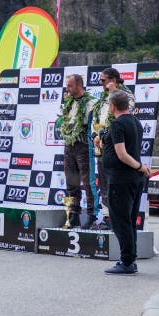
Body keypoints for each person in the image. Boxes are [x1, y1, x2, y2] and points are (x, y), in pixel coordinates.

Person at [97, 89, 150, 274]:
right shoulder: (136, 122)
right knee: (129, 221)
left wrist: (139, 166)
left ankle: (126, 262)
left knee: (121, 222)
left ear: (112, 106)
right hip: (133, 180)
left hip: (121, 180)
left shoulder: (118, 124)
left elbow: (122, 154)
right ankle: (130, 260)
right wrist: (103, 141)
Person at [91, 67, 135, 228]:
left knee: (115, 185)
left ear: (113, 80)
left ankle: (118, 219)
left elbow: (123, 117)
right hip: (101, 148)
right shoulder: (102, 98)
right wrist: (95, 136)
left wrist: (113, 92)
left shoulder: (126, 95)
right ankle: (107, 218)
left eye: (103, 80)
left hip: (116, 146)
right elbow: (95, 119)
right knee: (104, 185)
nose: (101, 83)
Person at [59, 74, 96, 229]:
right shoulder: (68, 102)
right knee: (71, 182)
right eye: (67, 85)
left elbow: (92, 125)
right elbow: (65, 122)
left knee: (87, 182)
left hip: (83, 145)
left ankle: (91, 215)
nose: (67, 88)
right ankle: (73, 215)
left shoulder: (90, 103)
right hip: (69, 145)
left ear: (79, 85)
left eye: (70, 85)